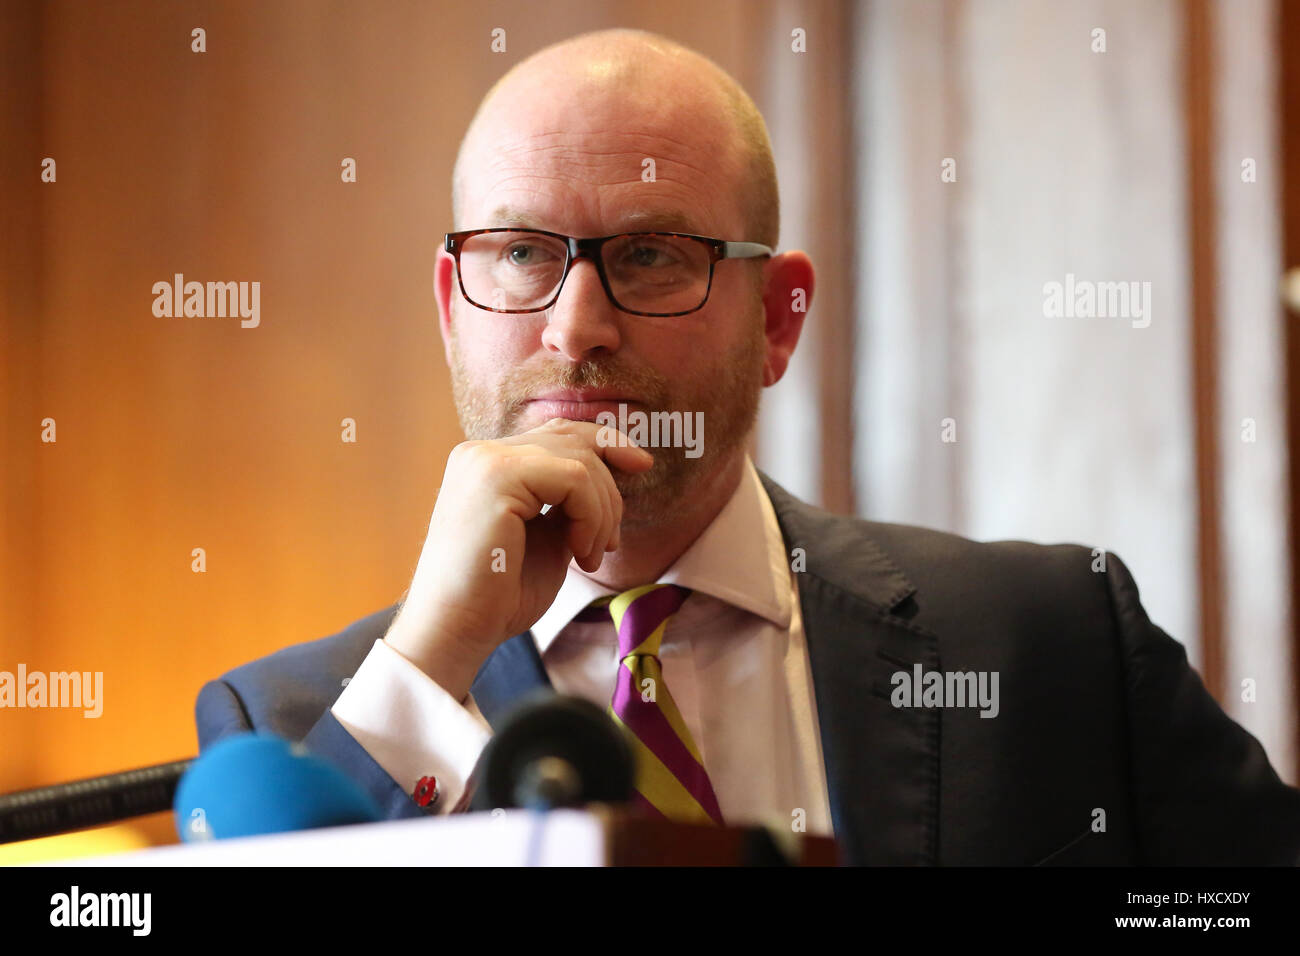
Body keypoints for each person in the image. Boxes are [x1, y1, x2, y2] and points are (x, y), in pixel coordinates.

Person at [195, 28, 1300, 865]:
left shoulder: (1051, 641)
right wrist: (427, 667)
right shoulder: (286, 729)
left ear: (776, 317)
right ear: (452, 309)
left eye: (653, 254)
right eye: (522, 252)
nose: (575, 324)